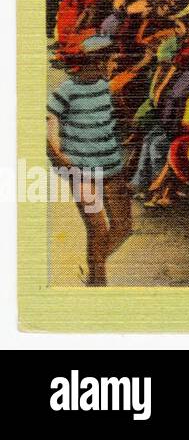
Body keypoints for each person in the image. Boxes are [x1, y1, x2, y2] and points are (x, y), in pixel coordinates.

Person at [47, 35, 132, 286]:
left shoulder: (107, 87)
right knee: (97, 228)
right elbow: (49, 125)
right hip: (81, 172)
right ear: (96, 62)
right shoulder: (66, 91)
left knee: (124, 226)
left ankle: (93, 264)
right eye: (110, 61)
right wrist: (57, 156)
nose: (113, 66)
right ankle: (97, 284)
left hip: (112, 168)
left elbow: (119, 118)